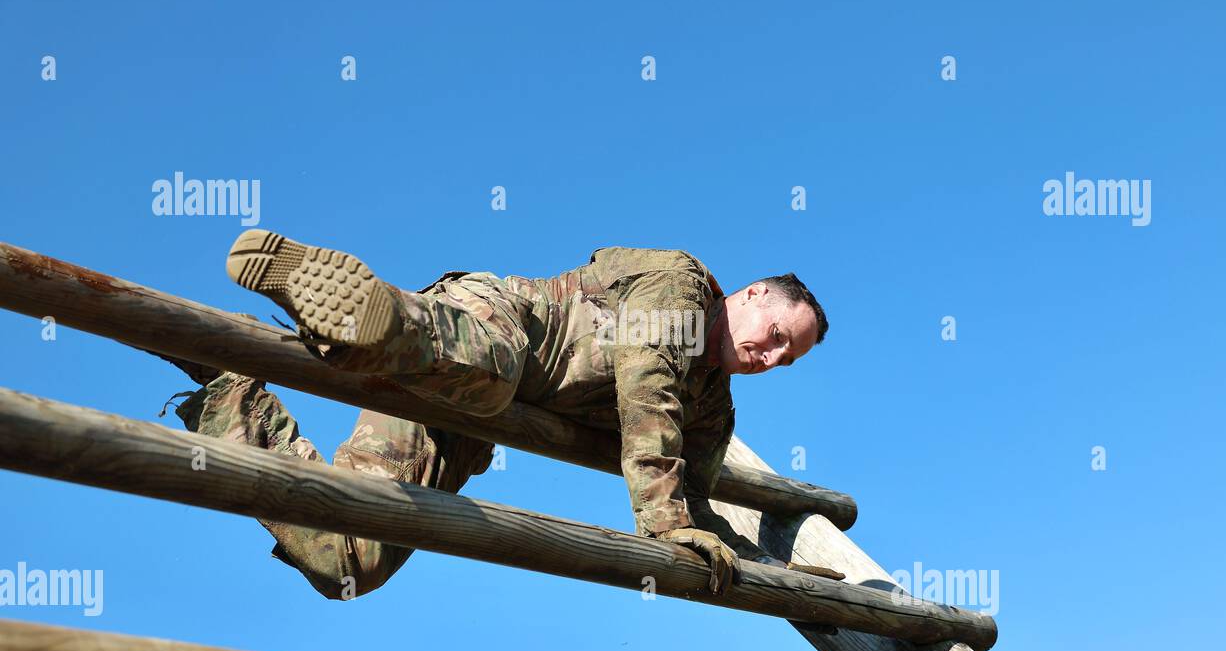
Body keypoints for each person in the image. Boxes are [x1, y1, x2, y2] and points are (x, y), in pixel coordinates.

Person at [165, 229, 839, 600]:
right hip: (497, 327)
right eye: (777, 334)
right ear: (751, 294)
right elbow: (647, 382)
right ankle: (365, 316)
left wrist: (775, 577)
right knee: (495, 372)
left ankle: (230, 393)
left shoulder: (713, 414)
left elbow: (697, 509)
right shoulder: (682, 285)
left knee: (349, 559)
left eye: (788, 360)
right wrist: (660, 522)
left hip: (469, 417)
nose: (772, 358)